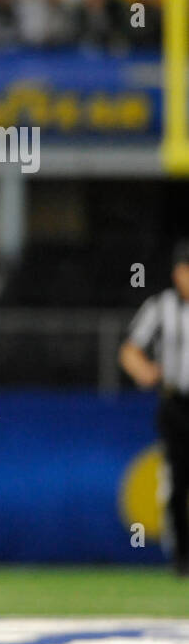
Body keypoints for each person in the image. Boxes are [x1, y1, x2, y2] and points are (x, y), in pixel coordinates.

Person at [119, 240, 189, 576]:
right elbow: (130, 350)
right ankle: (182, 557)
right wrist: (145, 371)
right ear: (177, 272)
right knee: (177, 478)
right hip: (176, 402)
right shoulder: (160, 307)